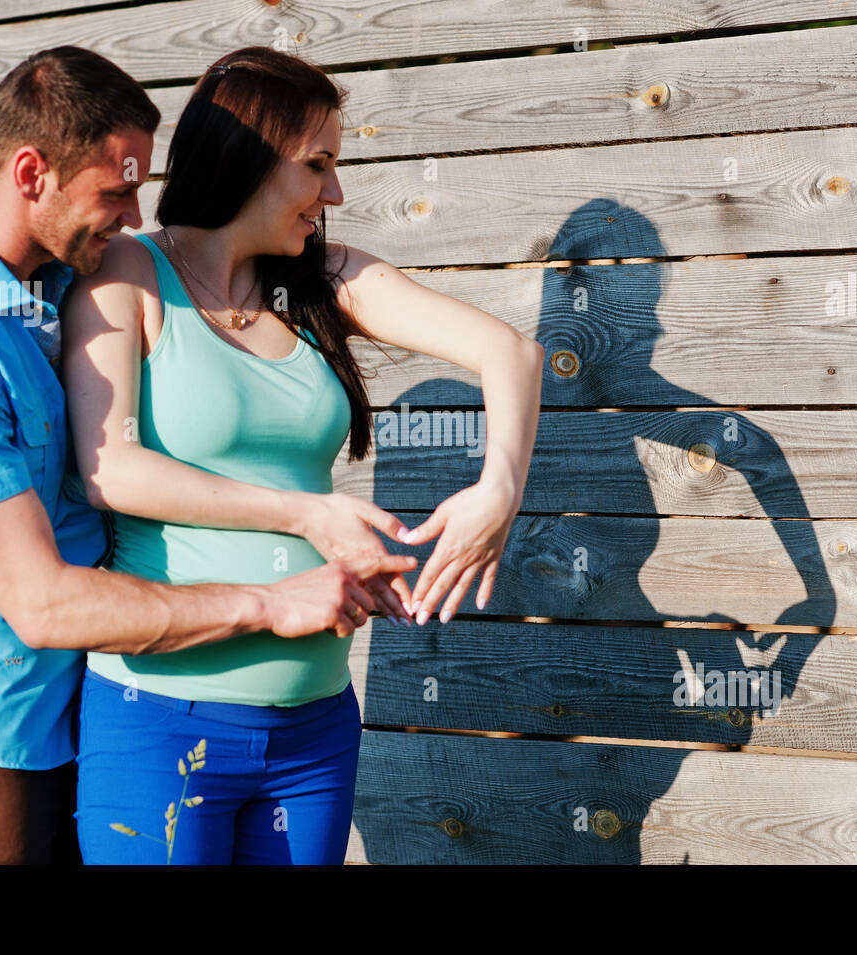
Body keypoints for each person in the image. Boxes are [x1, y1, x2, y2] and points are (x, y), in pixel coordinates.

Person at [0, 45, 413, 865]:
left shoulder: (51, 287)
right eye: (117, 190)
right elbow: (43, 605)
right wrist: (269, 602)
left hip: (76, 716)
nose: (135, 217)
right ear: (33, 172)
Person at [62, 46, 544, 865]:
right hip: (163, 718)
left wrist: (497, 492)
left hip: (316, 730)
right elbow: (114, 467)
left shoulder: (327, 281)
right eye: (317, 163)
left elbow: (511, 353)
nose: (336, 192)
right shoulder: (130, 273)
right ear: (248, 156)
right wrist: (307, 513)